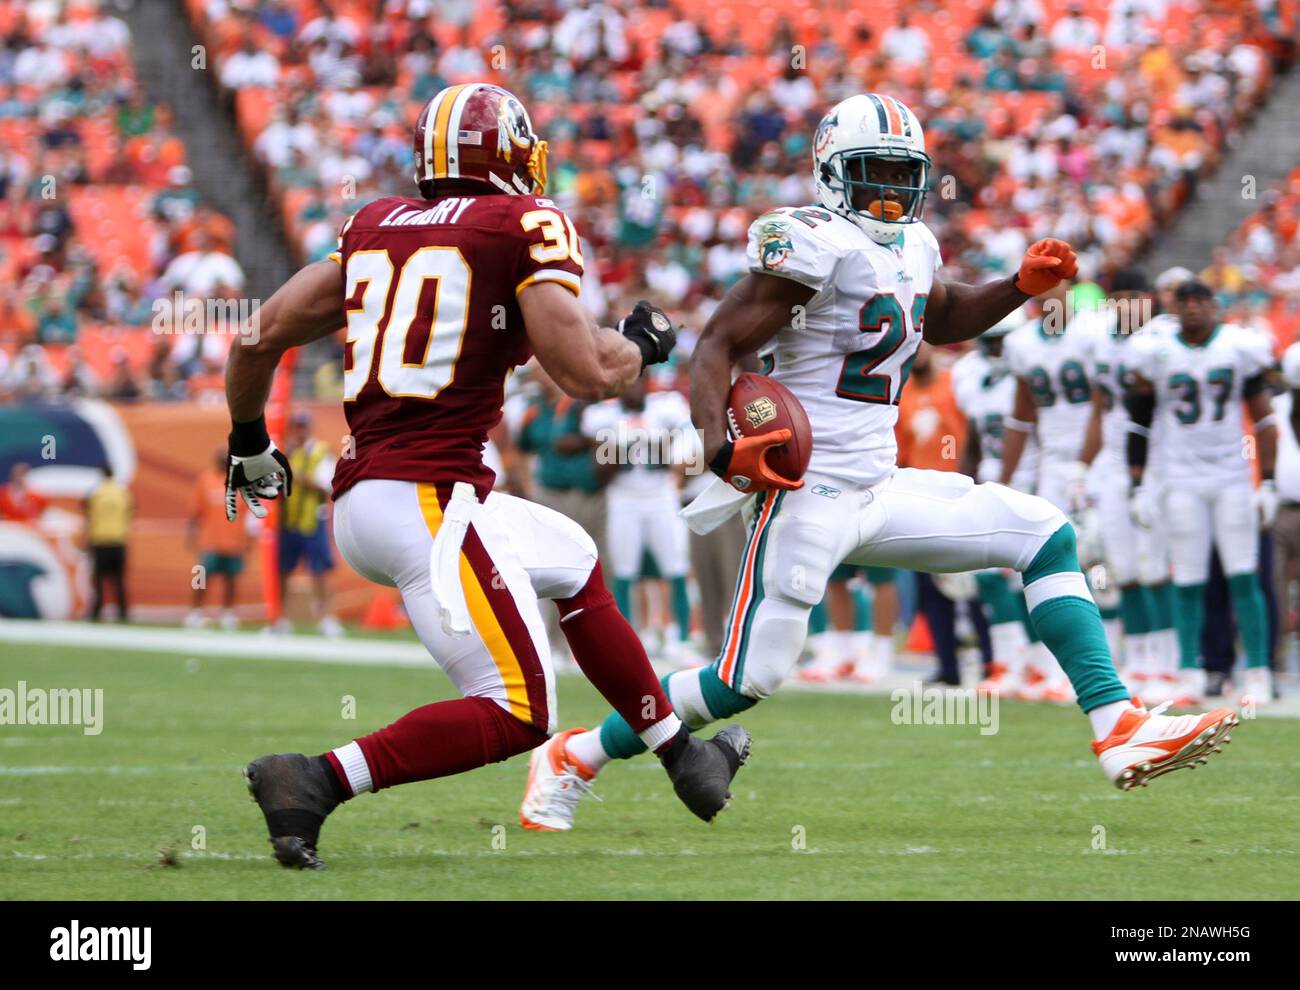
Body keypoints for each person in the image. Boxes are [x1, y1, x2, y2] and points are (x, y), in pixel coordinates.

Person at [524, 93, 1239, 831]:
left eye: (904, 174)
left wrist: (1018, 289)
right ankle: (575, 753)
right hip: (804, 489)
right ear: (834, 172)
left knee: (1043, 532)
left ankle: (1117, 726)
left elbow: (946, 315)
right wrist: (717, 446)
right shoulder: (812, 241)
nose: (892, 190)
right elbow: (717, 345)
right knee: (745, 679)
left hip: (879, 484)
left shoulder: (916, 245)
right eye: (874, 172)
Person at [224, 84, 751, 867]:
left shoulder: (374, 225)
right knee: (519, 710)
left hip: (376, 496)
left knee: (571, 557)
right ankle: (315, 779)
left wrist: (247, 441)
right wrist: (642, 344)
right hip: (428, 500)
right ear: (504, 154)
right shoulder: (523, 224)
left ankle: (684, 757)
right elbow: (582, 372)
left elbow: (258, 335)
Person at [1125, 279, 1277, 707]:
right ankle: (1188, 672)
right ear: (1176, 308)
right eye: (1185, 302)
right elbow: (1139, 422)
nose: (1193, 309)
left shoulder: (1238, 346)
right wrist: (1138, 484)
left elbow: (1264, 420)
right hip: (1180, 479)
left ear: (1215, 306)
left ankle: (1259, 672)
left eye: (1201, 301)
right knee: (1188, 579)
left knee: (1243, 576)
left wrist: (1265, 480)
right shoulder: (1155, 351)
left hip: (1231, 476)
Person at [274, 409, 342, 637]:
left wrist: (298, 476)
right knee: (283, 570)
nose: (299, 430)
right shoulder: (287, 451)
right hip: (288, 520)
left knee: (319, 570)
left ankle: (325, 617)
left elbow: (327, 486)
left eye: (302, 426)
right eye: (297, 425)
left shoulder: (321, 452)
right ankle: (280, 618)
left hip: (313, 519)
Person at [186, 447, 250, 630]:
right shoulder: (205, 480)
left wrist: (248, 540)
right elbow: (195, 510)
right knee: (201, 578)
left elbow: (249, 514)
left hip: (234, 541)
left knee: (231, 580)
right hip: (209, 542)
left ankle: (227, 613)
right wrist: (191, 535)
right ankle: (196, 611)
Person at [85, 463, 132, 621]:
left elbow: (89, 516)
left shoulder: (96, 494)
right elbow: (130, 512)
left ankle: (96, 612)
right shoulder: (122, 493)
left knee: (98, 580)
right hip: (119, 541)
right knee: (118, 580)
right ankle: (123, 612)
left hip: (100, 541)